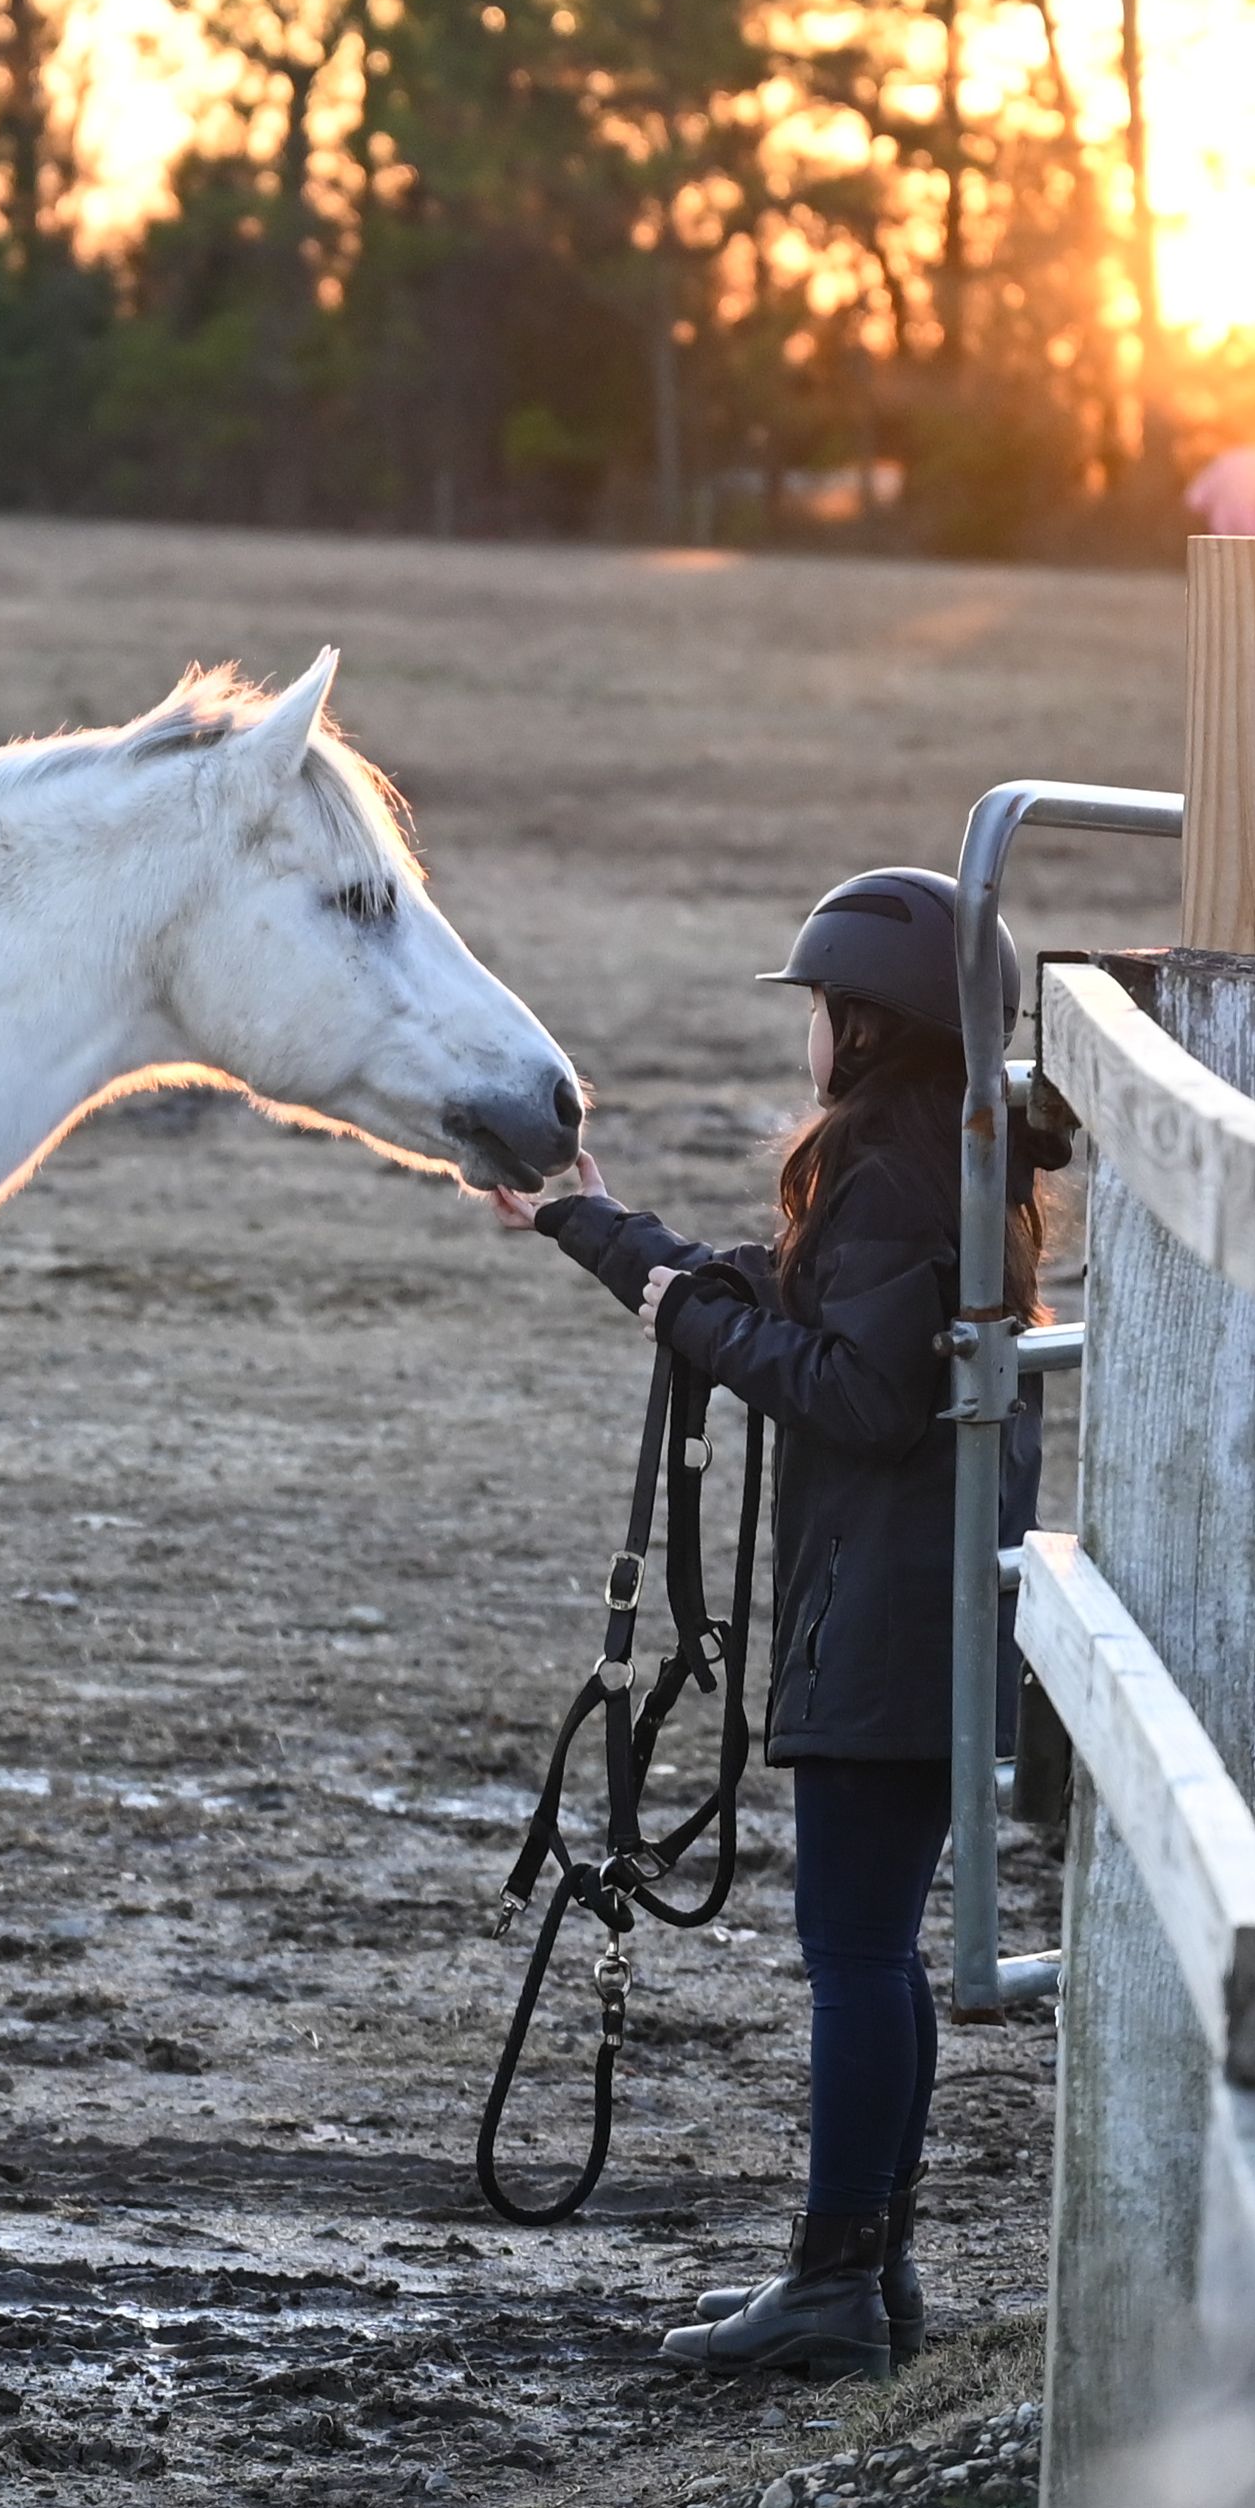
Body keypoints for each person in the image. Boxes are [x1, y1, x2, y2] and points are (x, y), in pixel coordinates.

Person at [486, 868, 1057, 2378]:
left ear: (868, 1022)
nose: (812, 1033)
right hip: (937, 1593)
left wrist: (677, 1312)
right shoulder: (956, 1158)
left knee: (856, 1947)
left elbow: (851, 1393)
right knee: (879, 1945)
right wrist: (606, 1236)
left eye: (823, 1006)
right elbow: (810, 1314)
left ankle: (833, 2280)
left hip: (885, 1604)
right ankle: (873, 2271)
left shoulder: (881, 1164)